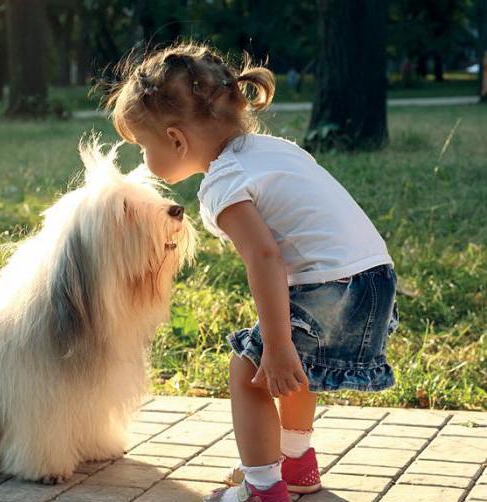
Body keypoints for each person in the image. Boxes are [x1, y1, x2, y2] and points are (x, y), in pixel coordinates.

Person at [103, 42, 399, 502]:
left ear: (177, 139)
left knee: (253, 369)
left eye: (144, 147)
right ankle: (295, 462)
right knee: (295, 368)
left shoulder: (224, 181)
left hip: (331, 285)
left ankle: (263, 488)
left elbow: (264, 258)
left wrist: (277, 346)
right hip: (374, 278)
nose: (144, 161)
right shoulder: (270, 150)